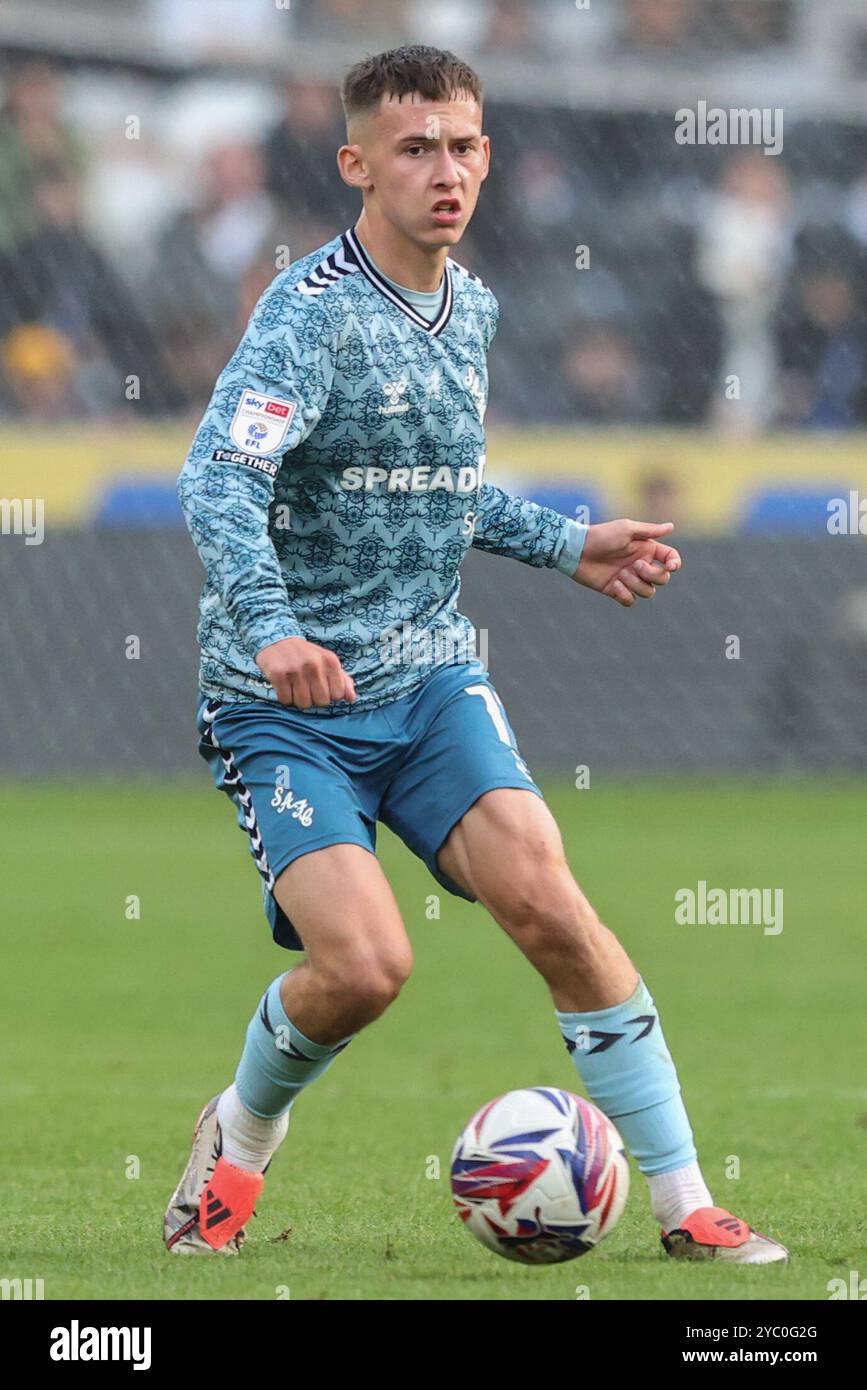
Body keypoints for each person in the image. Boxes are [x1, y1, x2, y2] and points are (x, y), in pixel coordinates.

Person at [165, 44, 787, 1265]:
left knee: (554, 906)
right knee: (366, 967)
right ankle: (234, 1141)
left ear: (487, 156)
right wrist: (276, 630)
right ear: (357, 164)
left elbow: (442, 488)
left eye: (461, 146)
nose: (443, 171)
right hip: (282, 704)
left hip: (430, 679)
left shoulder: (478, 307)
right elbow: (218, 479)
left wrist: (571, 544)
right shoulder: (308, 314)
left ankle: (682, 1206)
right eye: (414, 149)